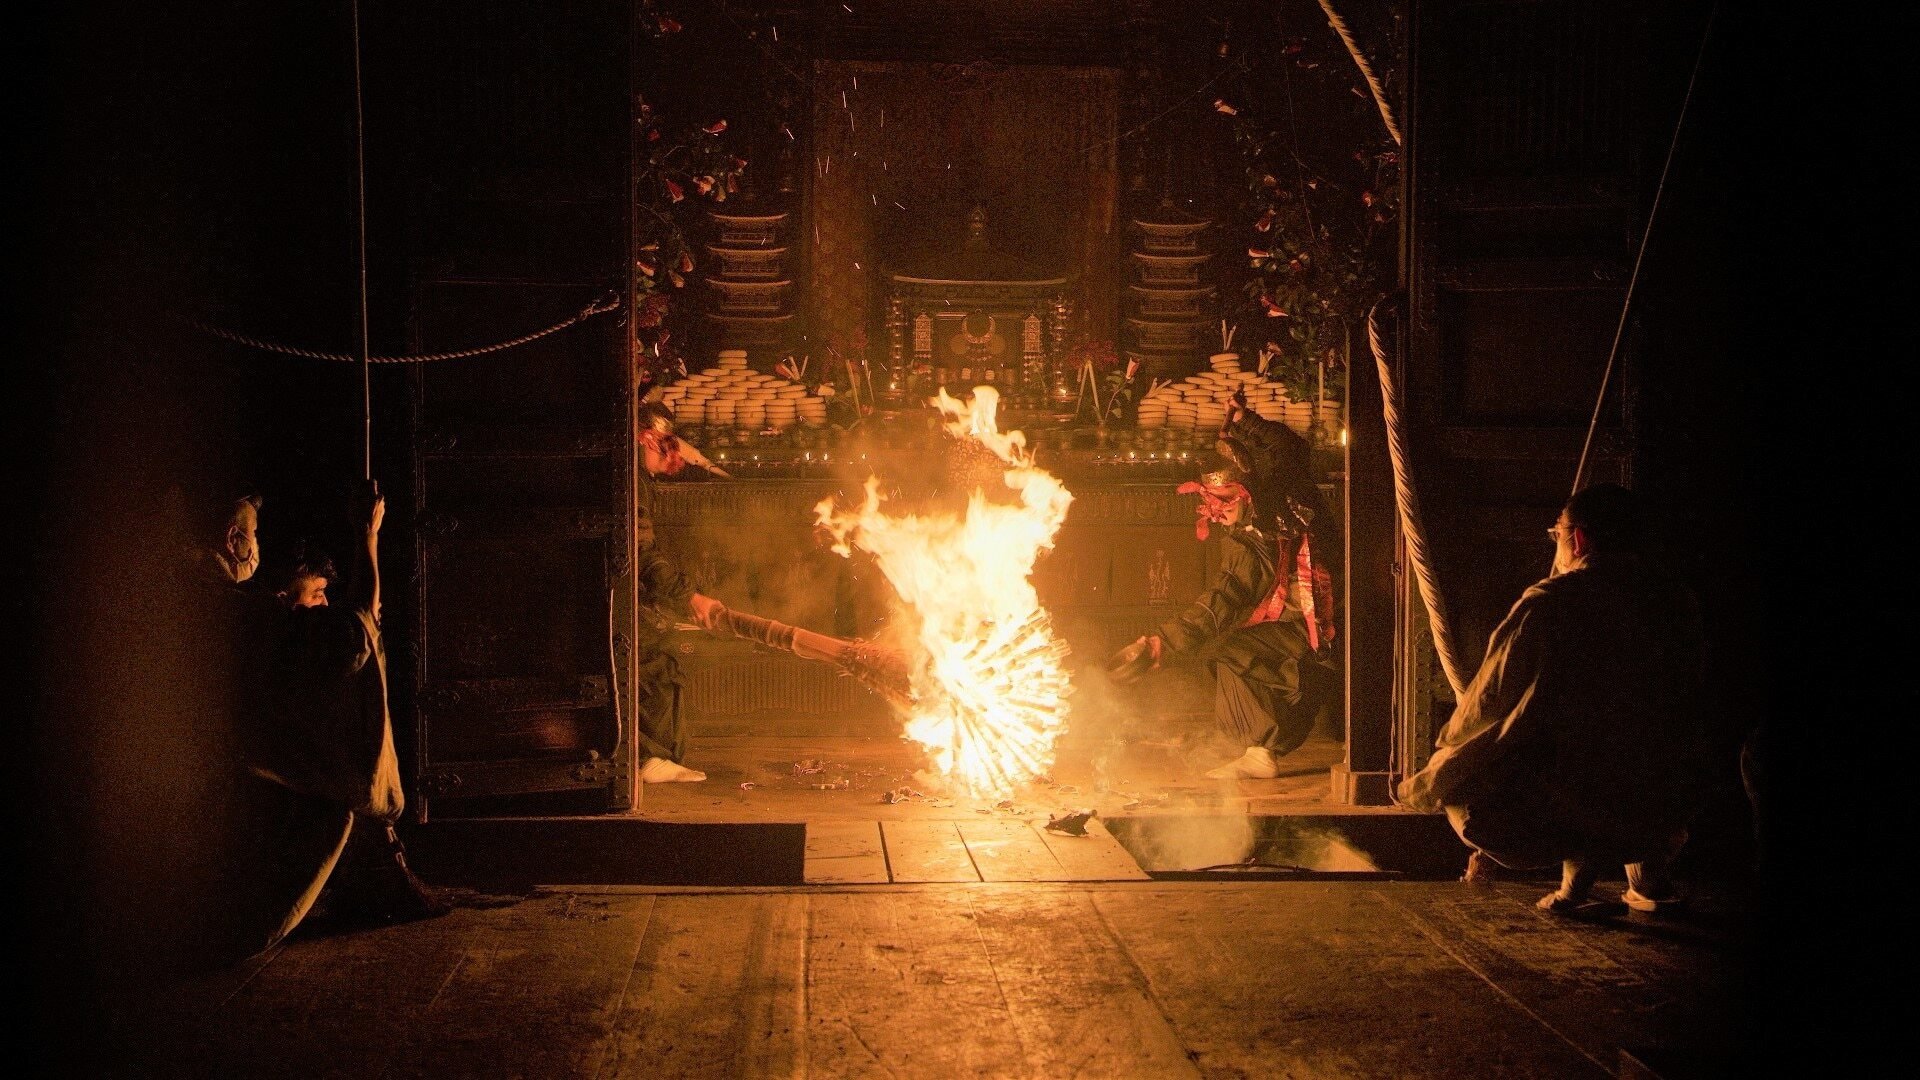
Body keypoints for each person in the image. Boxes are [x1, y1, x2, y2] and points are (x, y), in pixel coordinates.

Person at [1396, 483, 1707, 914]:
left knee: (1460, 784)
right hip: (1662, 803)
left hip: (1579, 797)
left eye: (1556, 533)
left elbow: (1486, 701)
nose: (1556, 542)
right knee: (1635, 755)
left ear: (1577, 538)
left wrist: (1449, 746)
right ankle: (1644, 880)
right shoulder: (1677, 602)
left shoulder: (1550, 604)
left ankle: (1580, 887)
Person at [240, 481, 447, 951]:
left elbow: (356, 625)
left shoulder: (285, 634)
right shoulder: (274, 632)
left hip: (282, 775)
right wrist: (367, 536)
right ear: (283, 592)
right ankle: (249, 932)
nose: (323, 606)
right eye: (315, 593)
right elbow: (355, 631)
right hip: (267, 783)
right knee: (334, 818)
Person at [1105, 443, 1338, 781]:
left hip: (1318, 628)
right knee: (1239, 650)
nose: (1217, 508)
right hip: (1299, 622)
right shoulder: (1265, 522)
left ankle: (1261, 752)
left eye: (1225, 499)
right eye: (1210, 498)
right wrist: (1249, 426)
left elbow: (1226, 595)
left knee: (1231, 651)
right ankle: (1261, 747)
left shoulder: (1261, 536)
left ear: (1247, 495)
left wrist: (1164, 642)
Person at [633, 403, 728, 783]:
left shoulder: (638, 479)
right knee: (657, 663)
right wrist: (688, 596)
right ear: (645, 438)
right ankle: (650, 758)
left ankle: (656, 757)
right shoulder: (632, 480)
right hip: (618, 597)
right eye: (665, 445)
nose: (673, 455)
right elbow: (639, 552)